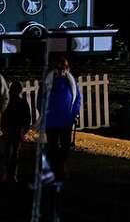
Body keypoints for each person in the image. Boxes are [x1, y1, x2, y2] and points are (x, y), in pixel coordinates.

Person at [39, 52, 82, 186]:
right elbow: (41, 98)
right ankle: (55, 170)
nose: (62, 70)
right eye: (60, 68)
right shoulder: (48, 81)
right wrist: (43, 112)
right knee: (52, 147)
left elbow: (78, 99)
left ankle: (61, 168)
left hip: (65, 121)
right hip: (51, 120)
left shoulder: (71, 81)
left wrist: (74, 113)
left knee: (64, 147)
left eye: (64, 68)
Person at [0, 79, 33, 185]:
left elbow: (26, 118)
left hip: (13, 130)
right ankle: (10, 174)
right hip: (13, 130)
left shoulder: (15, 102)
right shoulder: (21, 102)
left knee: (9, 153)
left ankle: (9, 174)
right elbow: (27, 118)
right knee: (12, 153)